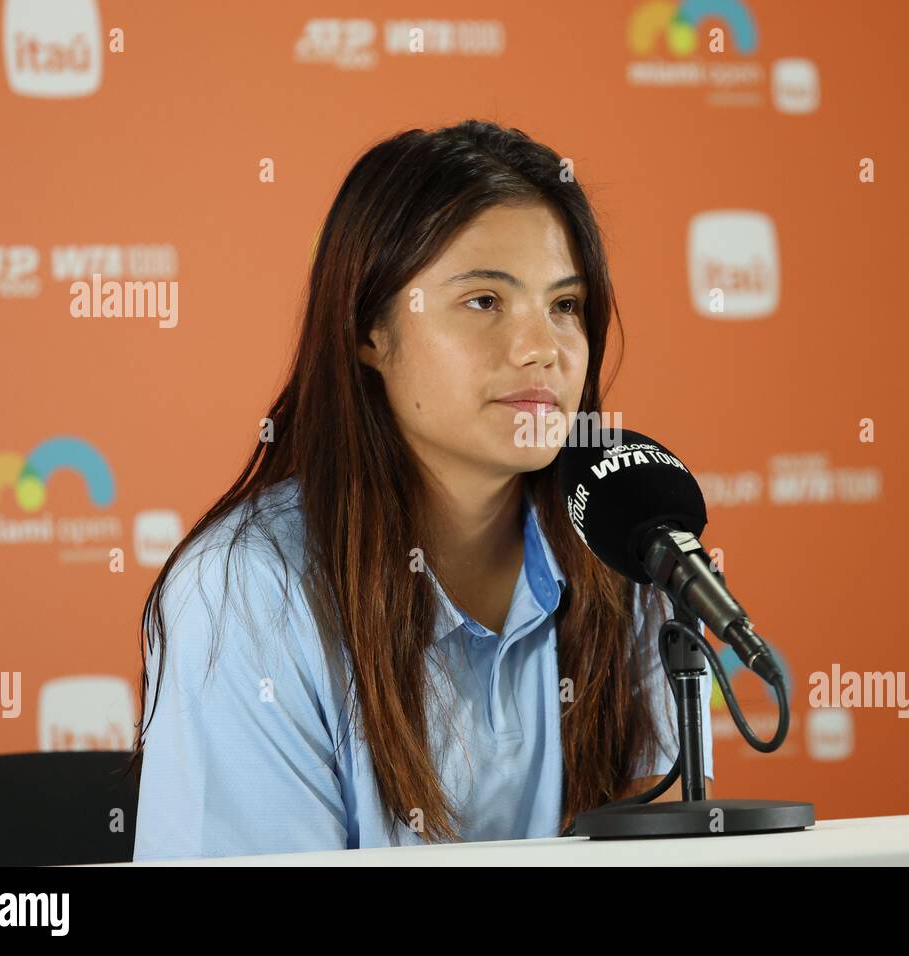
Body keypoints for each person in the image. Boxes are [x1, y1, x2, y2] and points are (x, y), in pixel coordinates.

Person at [128, 119, 713, 860]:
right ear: (370, 328)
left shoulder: (627, 554)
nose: (543, 348)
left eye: (566, 306)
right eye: (484, 302)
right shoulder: (246, 590)